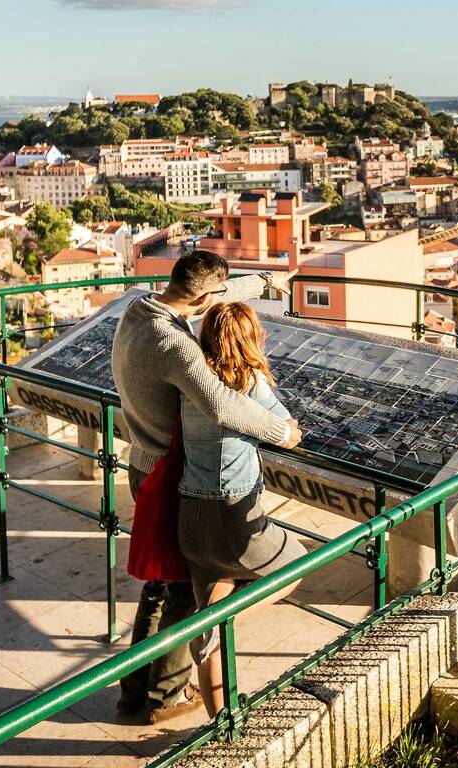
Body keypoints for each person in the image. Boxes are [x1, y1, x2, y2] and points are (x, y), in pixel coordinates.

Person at [111, 251, 301, 725]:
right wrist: (282, 434)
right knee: (180, 596)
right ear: (202, 296)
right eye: (217, 294)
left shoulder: (139, 306)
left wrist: (262, 281)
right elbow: (220, 404)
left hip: (143, 461)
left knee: (160, 587)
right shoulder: (174, 344)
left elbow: (210, 298)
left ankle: (134, 691)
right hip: (169, 475)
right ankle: (165, 696)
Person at [179, 300, 308, 718]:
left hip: (189, 514)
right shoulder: (248, 381)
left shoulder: (191, 381)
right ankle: (224, 622)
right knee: (295, 565)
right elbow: (288, 431)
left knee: (207, 613)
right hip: (234, 513)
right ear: (250, 339)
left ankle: (219, 724)